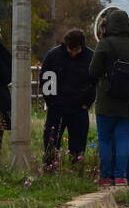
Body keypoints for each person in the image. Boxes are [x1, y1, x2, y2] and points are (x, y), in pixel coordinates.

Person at [88, 7, 129, 187]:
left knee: (104, 139)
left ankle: (106, 176)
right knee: (123, 139)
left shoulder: (105, 44)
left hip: (107, 100)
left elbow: (93, 71)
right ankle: (121, 177)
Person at [39, 29, 94, 167]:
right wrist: (51, 102)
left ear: (82, 46)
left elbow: (94, 82)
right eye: (71, 49)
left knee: (78, 143)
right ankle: (49, 168)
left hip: (79, 109)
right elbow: (45, 80)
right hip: (56, 108)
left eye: (77, 50)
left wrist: (88, 102)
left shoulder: (91, 57)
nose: (73, 53)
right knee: (51, 141)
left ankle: (76, 169)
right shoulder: (53, 55)